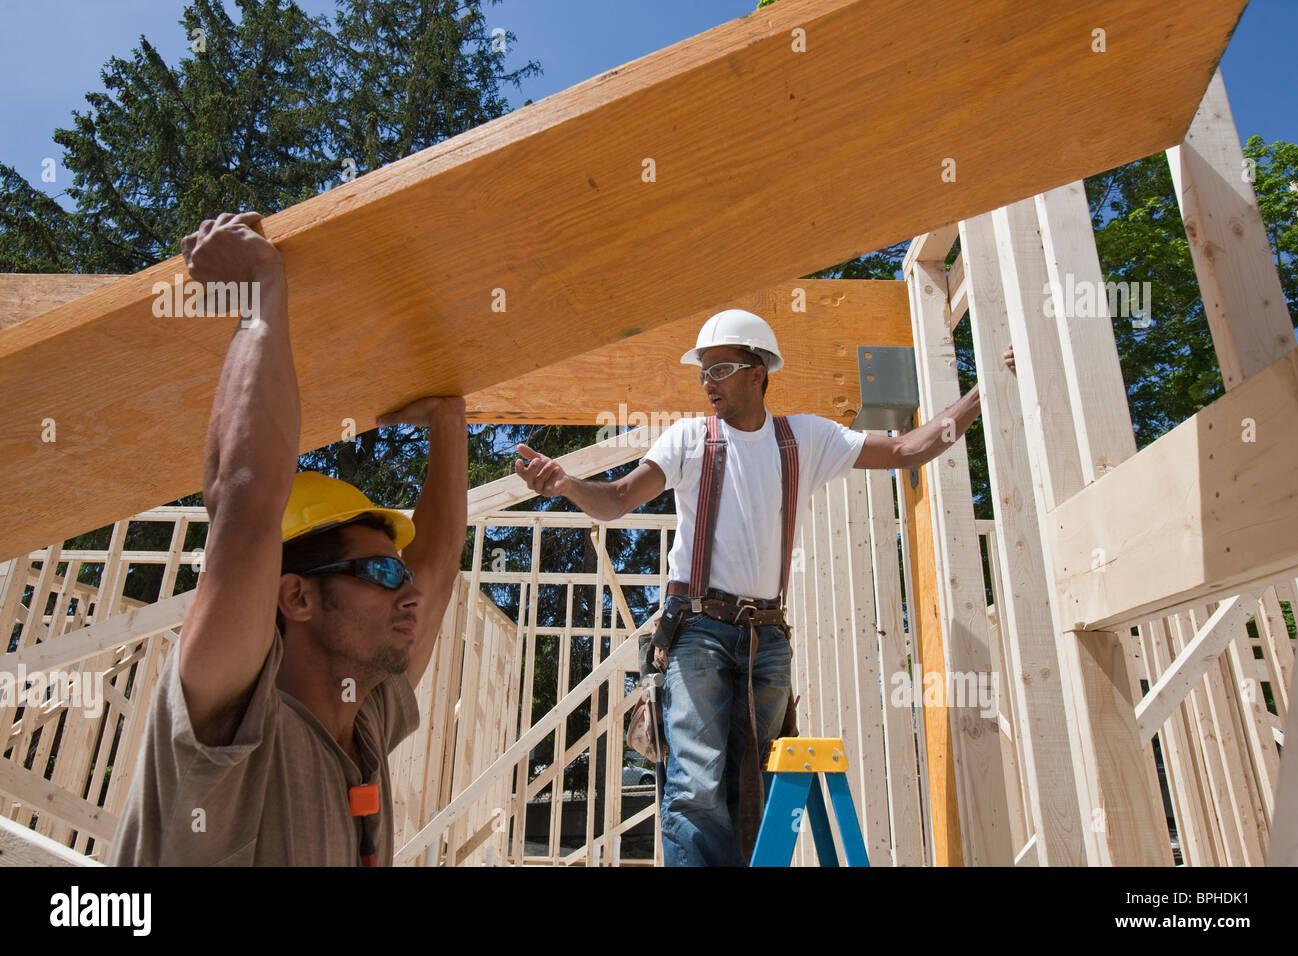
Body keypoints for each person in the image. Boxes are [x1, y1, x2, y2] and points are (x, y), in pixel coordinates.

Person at [514, 308, 1013, 866]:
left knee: (753, 790)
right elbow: (615, 499)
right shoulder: (689, 439)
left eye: (721, 368)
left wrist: (983, 392)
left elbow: (906, 450)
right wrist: (563, 483)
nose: (708, 382)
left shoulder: (804, 437)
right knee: (697, 787)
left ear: (759, 373)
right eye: (703, 371)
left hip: (767, 638)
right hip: (695, 630)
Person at [110, 212, 467, 866]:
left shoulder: (363, 716)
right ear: (296, 597)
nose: (410, 594)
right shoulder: (232, 717)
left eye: (399, 575)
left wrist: (449, 418)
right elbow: (244, 508)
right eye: (384, 576)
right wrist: (257, 295)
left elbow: (438, 567)